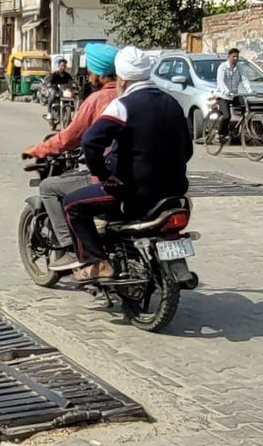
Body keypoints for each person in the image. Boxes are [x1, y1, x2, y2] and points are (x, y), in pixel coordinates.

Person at [63, 46, 193, 284]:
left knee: (72, 205)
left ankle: (96, 262)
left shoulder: (122, 105)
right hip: (174, 192)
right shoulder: (173, 103)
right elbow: (188, 150)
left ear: (122, 79)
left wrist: (104, 175)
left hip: (133, 195)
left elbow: (90, 142)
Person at [22, 43, 119, 271]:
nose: (88, 75)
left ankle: (68, 248)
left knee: (49, 187)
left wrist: (38, 150)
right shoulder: (129, 97)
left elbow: (70, 138)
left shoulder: (98, 100)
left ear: (100, 73)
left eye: (91, 70)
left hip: (107, 174)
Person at [215, 47, 252, 141]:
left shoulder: (239, 67)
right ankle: (220, 133)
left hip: (234, 95)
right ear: (229, 57)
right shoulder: (222, 67)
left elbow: (244, 79)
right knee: (227, 116)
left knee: (246, 108)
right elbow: (220, 81)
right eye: (233, 56)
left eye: (237, 57)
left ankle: (241, 130)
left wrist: (249, 90)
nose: (235, 58)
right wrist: (225, 90)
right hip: (223, 95)